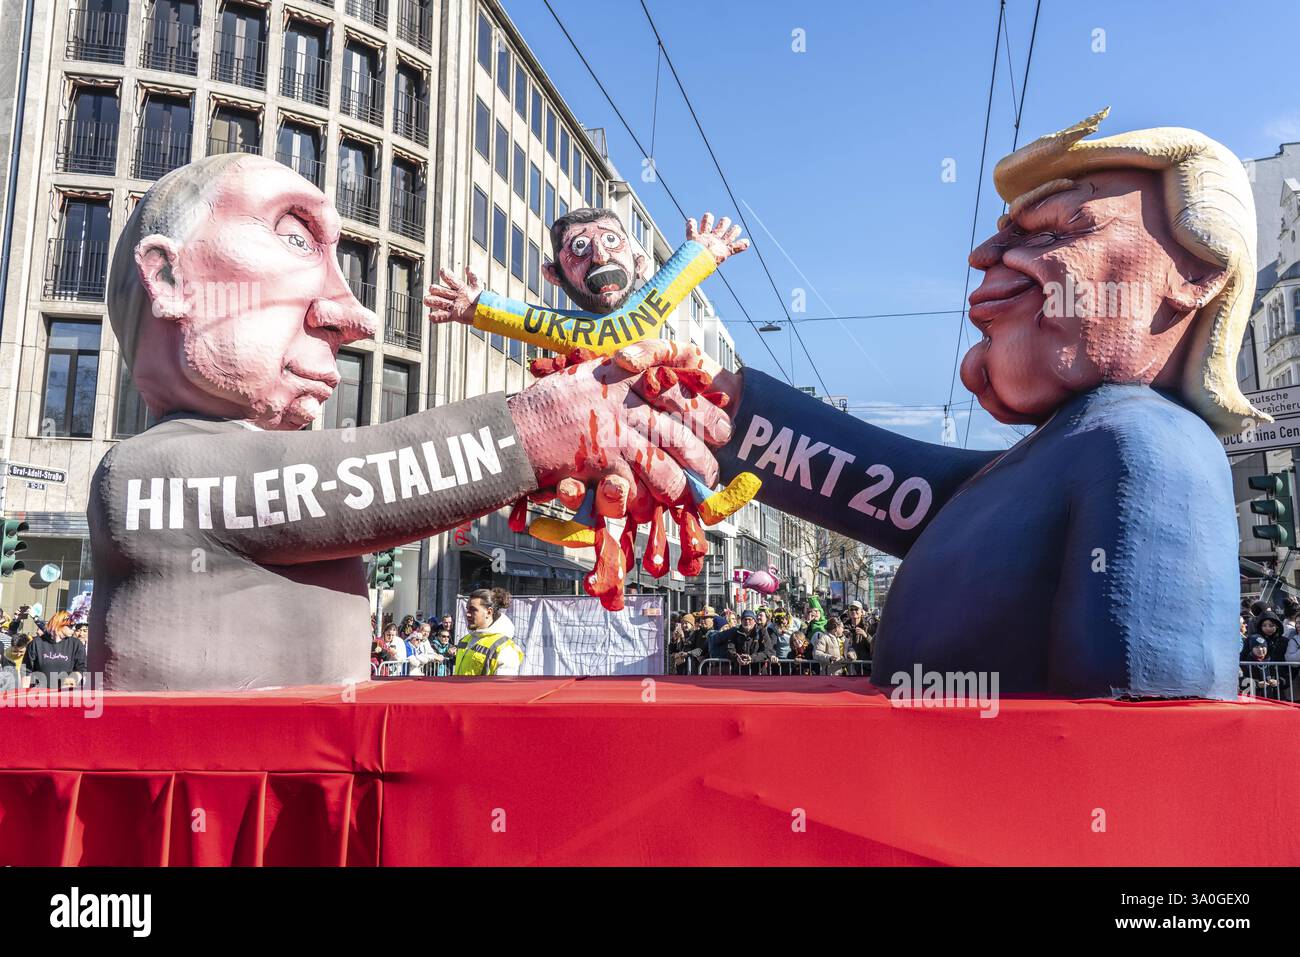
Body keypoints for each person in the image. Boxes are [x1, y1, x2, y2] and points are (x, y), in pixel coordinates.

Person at [618, 111, 1266, 699]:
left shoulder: (1149, 452)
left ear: (1193, 272)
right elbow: (873, 476)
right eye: (1006, 233)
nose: (984, 258)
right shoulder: (1050, 458)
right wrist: (704, 407)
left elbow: (1138, 758)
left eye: (1056, 229)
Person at [92, 153, 730, 691]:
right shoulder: (145, 475)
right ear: (169, 278)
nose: (355, 317)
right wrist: (545, 427)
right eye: (294, 238)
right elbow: (374, 477)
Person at [426, 209, 749, 356]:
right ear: (553, 275)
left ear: (640, 265)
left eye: (611, 241)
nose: (599, 255)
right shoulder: (575, 330)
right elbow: (533, 321)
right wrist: (477, 306)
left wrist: (700, 253)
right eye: (579, 247)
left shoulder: (639, 315)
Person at [455, 588, 522, 676]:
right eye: (467, 609)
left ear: (489, 612)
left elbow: (504, 687)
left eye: (473, 610)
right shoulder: (465, 640)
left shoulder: (505, 648)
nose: (467, 614)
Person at [22, 611, 87, 690]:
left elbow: (82, 668)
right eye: (71, 626)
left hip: (66, 693)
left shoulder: (76, 644)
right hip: (40, 693)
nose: (74, 628)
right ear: (59, 624)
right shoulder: (36, 643)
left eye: (74, 626)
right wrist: (23, 692)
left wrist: (73, 678)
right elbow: (26, 670)